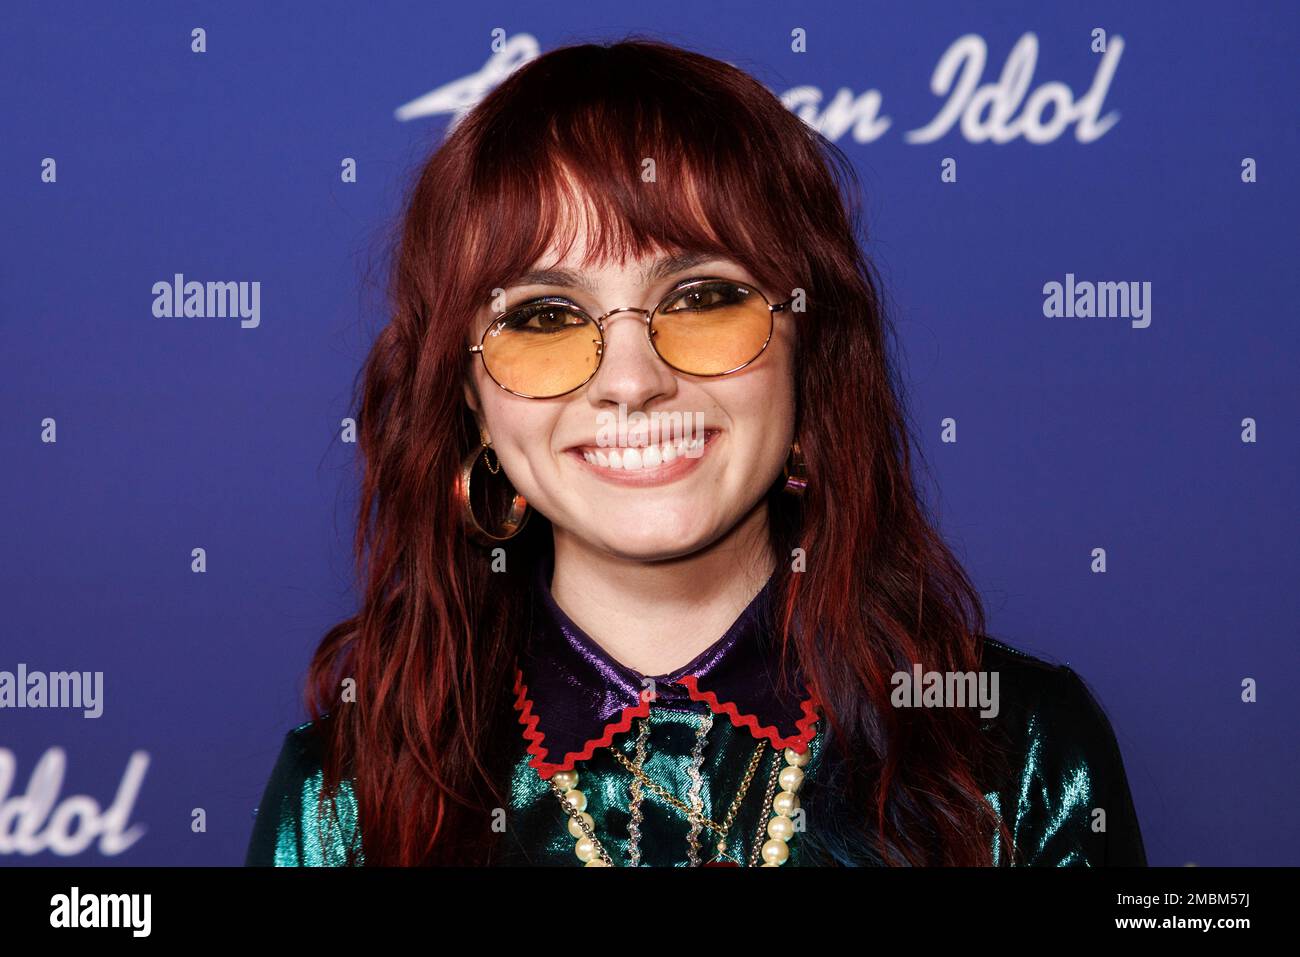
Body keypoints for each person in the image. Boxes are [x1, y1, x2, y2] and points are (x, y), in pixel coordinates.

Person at [245, 37, 1146, 867]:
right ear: (469, 401)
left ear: (809, 352)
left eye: (704, 297)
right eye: (544, 317)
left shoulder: (1016, 750)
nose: (632, 380)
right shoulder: (344, 802)